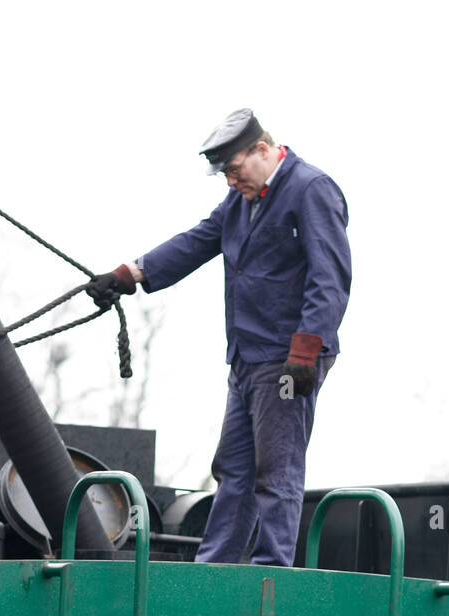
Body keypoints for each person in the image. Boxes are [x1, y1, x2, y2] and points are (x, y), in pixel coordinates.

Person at [86, 109, 351, 566]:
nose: (230, 181)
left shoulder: (310, 189)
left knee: (276, 472)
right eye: (224, 173)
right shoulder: (242, 202)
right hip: (248, 357)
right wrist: (131, 273)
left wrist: (306, 349)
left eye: (234, 169)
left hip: (288, 358)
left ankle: (269, 574)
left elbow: (330, 277)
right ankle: (215, 572)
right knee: (234, 471)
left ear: (263, 150)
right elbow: (197, 241)